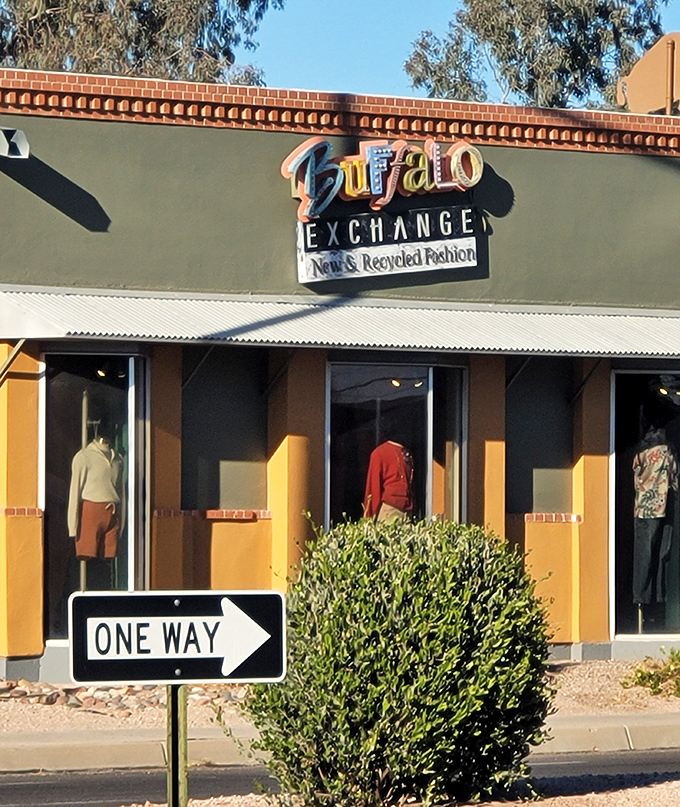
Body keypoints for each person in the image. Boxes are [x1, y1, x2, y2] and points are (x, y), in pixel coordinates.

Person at [632, 427, 678, 608]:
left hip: (643, 507)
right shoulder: (667, 452)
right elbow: (674, 477)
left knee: (644, 552)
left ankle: (641, 597)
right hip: (664, 505)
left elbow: (636, 477)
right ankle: (660, 597)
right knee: (662, 552)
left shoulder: (640, 453)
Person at [68, 434, 125, 559]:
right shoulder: (84, 457)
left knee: (109, 556)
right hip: (90, 513)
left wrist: (122, 522)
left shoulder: (118, 459)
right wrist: (73, 525)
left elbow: (121, 492)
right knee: (86, 555)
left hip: (113, 513)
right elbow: (75, 491)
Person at [363, 439, 414, 522]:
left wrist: (368, 517)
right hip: (392, 509)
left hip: (399, 510)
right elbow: (374, 488)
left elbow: (373, 488)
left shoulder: (380, 453)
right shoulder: (380, 453)